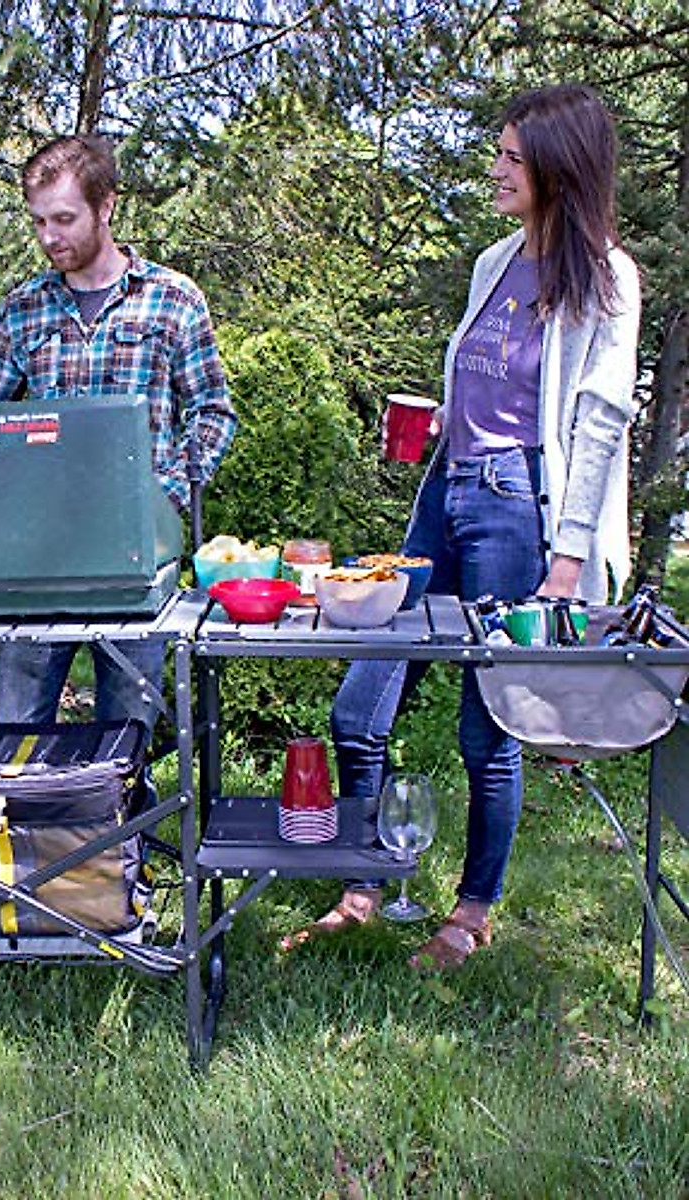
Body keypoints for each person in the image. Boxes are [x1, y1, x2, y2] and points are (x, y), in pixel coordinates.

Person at [286, 84, 641, 969]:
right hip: (444, 495)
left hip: (522, 511)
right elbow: (482, 388)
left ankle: (471, 912)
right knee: (360, 699)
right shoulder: (492, 265)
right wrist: (441, 424)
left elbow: (596, 420)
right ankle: (365, 885)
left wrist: (567, 562)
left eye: (513, 158)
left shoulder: (605, 277)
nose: (496, 169)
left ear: (561, 169)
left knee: (488, 727)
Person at [0, 133, 237, 729]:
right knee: (15, 730)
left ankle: (129, 827)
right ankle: (22, 823)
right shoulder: (22, 309)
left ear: (106, 206)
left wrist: (162, 498)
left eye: (64, 219)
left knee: (128, 735)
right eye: (38, 221)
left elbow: (214, 415)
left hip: (138, 560)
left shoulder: (172, 300)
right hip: (38, 562)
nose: (49, 238)